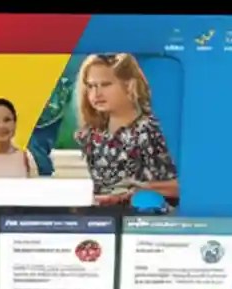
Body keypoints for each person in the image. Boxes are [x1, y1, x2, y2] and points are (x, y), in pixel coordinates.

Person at [72, 53, 178, 206]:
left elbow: (184, 187)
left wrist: (133, 192)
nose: (96, 94)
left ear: (129, 85)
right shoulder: (92, 134)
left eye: (106, 84)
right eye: (91, 86)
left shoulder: (150, 131)